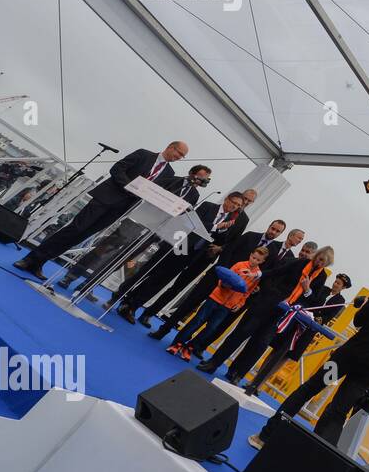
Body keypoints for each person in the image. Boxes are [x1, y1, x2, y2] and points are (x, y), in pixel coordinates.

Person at [249, 264, 369, 448]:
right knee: (339, 411)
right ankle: (316, 456)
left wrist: (366, 305)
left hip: (348, 358)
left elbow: (358, 321)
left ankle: (266, 435)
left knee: (310, 388)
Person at [13, 141, 189, 280]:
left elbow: (156, 193)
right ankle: (31, 258)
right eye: (178, 153)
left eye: (182, 156)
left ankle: (40, 262)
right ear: (170, 147)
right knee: (75, 228)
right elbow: (117, 168)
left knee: (81, 236)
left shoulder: (169, 174)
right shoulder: (144, 154)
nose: (179, 157)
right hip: (106, 197)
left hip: (121, 208)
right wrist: (128, 186)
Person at [54, 164, 212, 295]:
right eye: (202, 176)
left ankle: (89, 286)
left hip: (153, 231)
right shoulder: (171, 180)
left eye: (206, 179)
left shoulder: (194, 195)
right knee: (104, 249)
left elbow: (181, 213)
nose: (203, 180)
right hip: (137, 221)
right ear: (192, 173)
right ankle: (71, 276)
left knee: (122, 259)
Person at [126, 187, 259, 330]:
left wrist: (220, 248)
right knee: (160, 276)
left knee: (177, 287)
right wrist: (216, 227)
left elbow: (233, 241)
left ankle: (149, 313)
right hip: (186, 248)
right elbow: (194, 223)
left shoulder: (243, 219)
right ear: (238, 196)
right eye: (244, 198)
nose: (244, 202)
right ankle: (130, 302)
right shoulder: (217, 208)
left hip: (205, 256)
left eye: (248, 201)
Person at [197, 244, 332, 379]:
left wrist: (307, 290)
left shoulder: (322, 277)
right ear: (316, 255)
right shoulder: (300, 263)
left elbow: (315, 302)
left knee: (260, 344)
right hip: (265, 304)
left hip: (281, 315)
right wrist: (258, 275)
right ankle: (214, 363)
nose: (319, 263)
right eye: (319, 259)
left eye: (323, 262)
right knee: (239, 334)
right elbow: (276, 272)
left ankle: (236, 373)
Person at [148, 219, 288, 341]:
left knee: (208, 318)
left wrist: (247, 286)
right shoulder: (250, 236)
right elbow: (228, 250)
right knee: (189, 303)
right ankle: (163, 330)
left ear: (280, 234)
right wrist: (225, 272)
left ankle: (186, 343)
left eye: (278, 231)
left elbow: (264, 273)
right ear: (269, 226)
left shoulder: (273, 253)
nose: (274, 232)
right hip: (217, 276)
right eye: (273, 228)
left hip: (233, 291)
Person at [240, 272, 352, 395]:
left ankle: (260, 384)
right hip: (296, 323)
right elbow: (311, 300)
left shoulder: (340, 301)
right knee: (275, 351)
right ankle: (254, 380)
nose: (335, 284)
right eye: (336, 281)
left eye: (339, 284)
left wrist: (317, 318)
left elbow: (328, 317)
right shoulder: (323, 290)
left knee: (285, 357)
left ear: (343, 287)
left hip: (308, 331)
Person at [167, 246, 269, 362]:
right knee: (197, 321)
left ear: (262, 261)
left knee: (211, 328)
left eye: (258, 260)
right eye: (253, 257)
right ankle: (177, 344)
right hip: (215, 298)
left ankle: (190, 347)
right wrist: (224, 284)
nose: (254, 261)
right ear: (250, 254)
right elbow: (223, 278)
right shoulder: (239, 265)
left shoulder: (257, 276)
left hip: (227, 306)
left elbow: (247, 293)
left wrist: (240, 304)